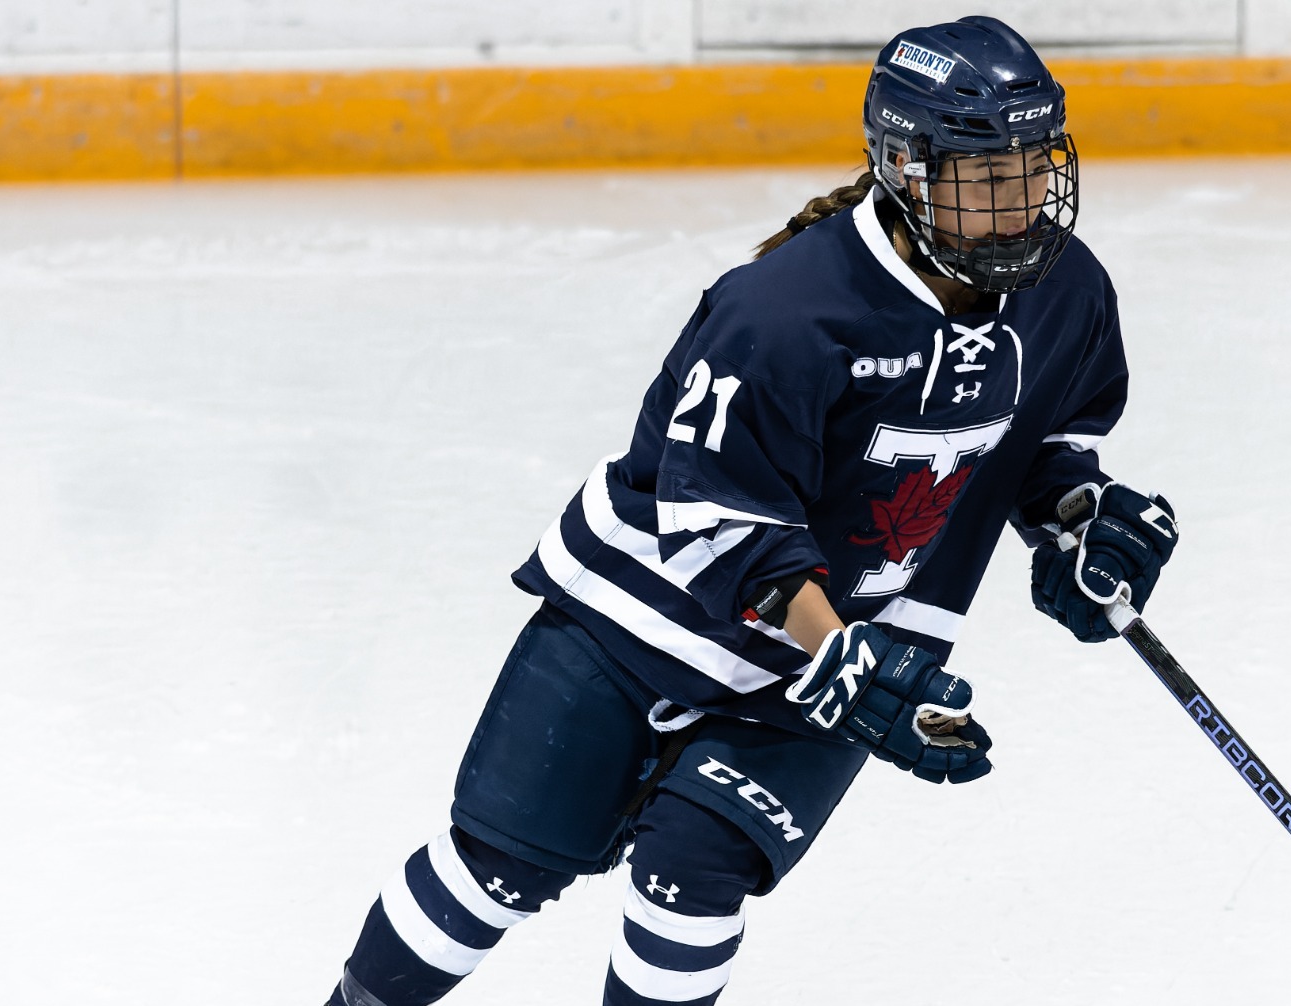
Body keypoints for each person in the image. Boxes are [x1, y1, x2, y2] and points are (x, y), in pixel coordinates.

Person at [325, 16, 1178, 1006]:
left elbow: (1041, 434)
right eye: (990, 176)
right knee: (500, 868)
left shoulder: (1065, 292)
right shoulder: (786, 311)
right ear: (906, 167)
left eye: (1036, 166)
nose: (1023, 200)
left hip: (839, 649)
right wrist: (839, 655)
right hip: (641, 619)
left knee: (693, 876)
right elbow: (722, 524)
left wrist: (1076, 518)